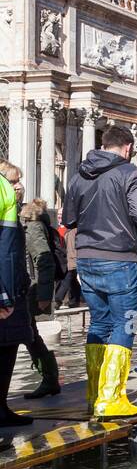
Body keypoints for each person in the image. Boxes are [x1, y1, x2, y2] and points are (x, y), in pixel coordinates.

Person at [63, 125, 137, 416]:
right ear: (127, 147)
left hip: (87, 258)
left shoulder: (78, 175)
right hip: (120, 257)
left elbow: (69, 218)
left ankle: (94, 393)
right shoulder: (130, 173)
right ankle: (111, 398)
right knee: (125, 323)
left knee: (99, 324)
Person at [0, 163, 39, 437]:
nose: (19, 186)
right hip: (6, 290)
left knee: (9, 348)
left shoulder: (12, 201)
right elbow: (4, 251)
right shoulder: (3, 194)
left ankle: (2, 408)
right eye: (14, 181)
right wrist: (4, 293)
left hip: (13, 287)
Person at [21, 198, 62, 398]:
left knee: (30, 336)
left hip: (28, 290)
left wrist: (43, 295)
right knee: (30, 336)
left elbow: (44, 261)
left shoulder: (32, 227)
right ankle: (49, 379)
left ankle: (50, 378)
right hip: (26, 289)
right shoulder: (31, 225)